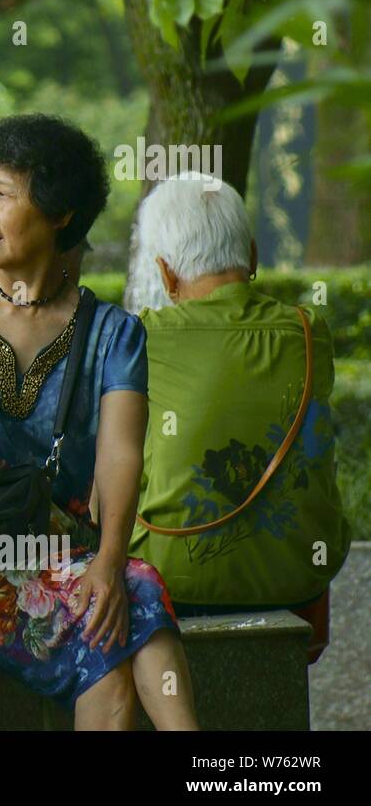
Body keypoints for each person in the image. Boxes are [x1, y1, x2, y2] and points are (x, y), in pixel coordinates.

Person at [0, 113, 198, 729]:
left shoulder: (115, 334)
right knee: (133, 599)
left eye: (3, 195)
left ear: (61, 213)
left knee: (118, 606)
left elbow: (120, 453)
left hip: (67, 557)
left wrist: (108, 560)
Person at [128, 173, 350, 663]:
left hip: (170, 580)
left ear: (166, 274)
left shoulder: (141, 337)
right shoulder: (309, 331)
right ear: (251, 256)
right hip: (296, 578)